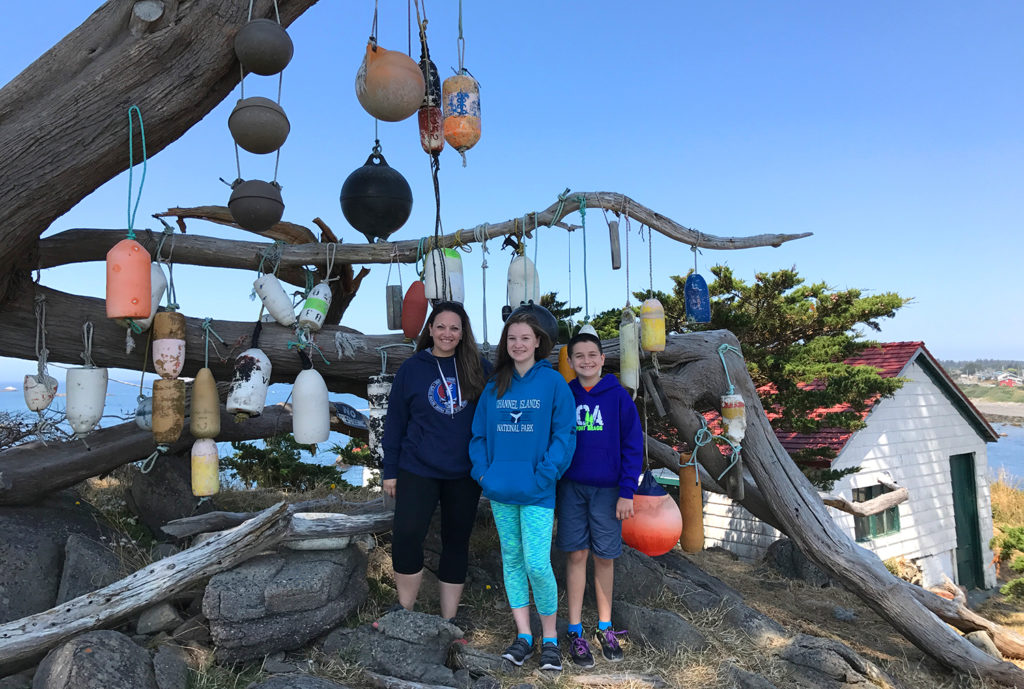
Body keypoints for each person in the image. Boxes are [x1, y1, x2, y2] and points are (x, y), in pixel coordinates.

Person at [470, 311, 577, 672]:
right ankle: (523, 636)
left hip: (537, 491)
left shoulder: (554, 384)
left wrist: (546, 474)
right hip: (500, 490)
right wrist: (484, 474)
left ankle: (549, 639)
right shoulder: (494, 385)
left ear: (538, 343)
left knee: (537, 563)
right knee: (512, 562)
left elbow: (565, 435)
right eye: (511, 338)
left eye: (525, 338)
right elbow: (479, 437)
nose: (518, 344)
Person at [381, 301, 490, 621]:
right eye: (440, 327)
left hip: (464, 472)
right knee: (406, 535)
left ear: (462, 333)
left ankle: (449, 619)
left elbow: (491, 418)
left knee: (456, 541)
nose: (447, 333)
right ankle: (404, 609)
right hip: (418, 467)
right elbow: (395, 422)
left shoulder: (479, 367)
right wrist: (390, 470)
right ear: (430, 330)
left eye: (454, 328)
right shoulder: (412, 368)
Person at [557, 331, 643, 667]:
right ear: (571, 361)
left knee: (605, 557)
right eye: (579, 356)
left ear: (603, 359)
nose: (587, 361)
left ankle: (605, 627)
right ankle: (575, 630)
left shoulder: (618, 397)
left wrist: (627, 492)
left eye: (592, 355)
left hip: (609, 492)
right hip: (571, 489)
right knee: (576, 554)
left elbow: (632, 446)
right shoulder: (565, 395)